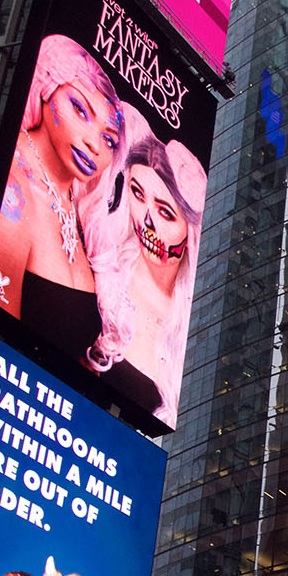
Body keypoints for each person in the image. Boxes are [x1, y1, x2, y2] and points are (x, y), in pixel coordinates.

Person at [0, 33, 124, 359]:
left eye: (109, 139)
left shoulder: (86, 213)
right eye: (80, 109)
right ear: (47, 89)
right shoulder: (14, 188)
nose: (93, 144)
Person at [84, 130, 207, 426]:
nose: (147, 221)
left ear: (190, 230)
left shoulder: (196, 327)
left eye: (165, 212)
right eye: (138, 194)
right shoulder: (100, 270)